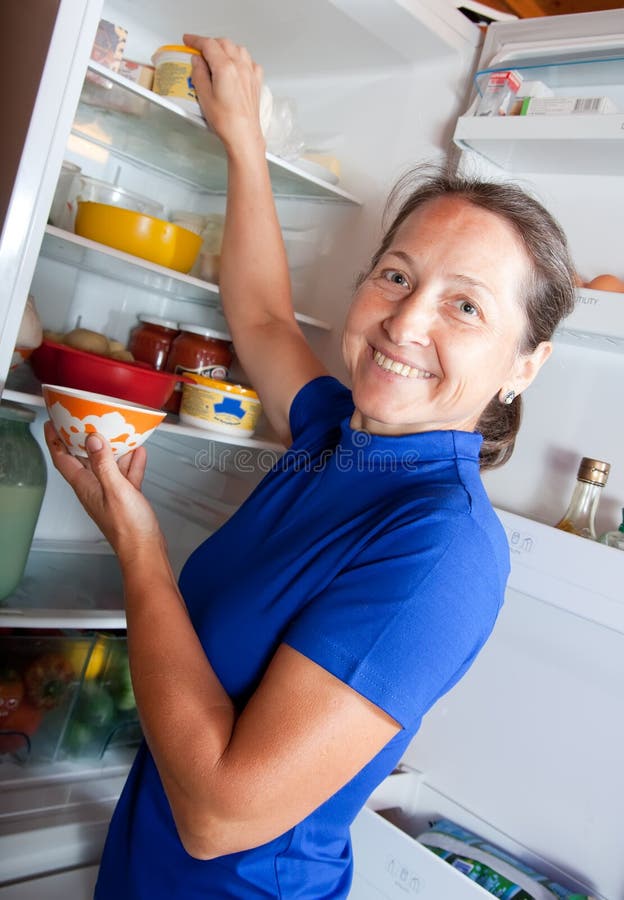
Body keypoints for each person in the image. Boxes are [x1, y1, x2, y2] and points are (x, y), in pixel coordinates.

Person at [44, 36, 576, 899]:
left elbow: (220, 814)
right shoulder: (338, 433)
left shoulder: (443, 549)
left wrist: (137, 550)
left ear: (525, 364)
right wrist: (242, 139)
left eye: (466, 305)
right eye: (397, 276)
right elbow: (258, 315)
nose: (405, 324)